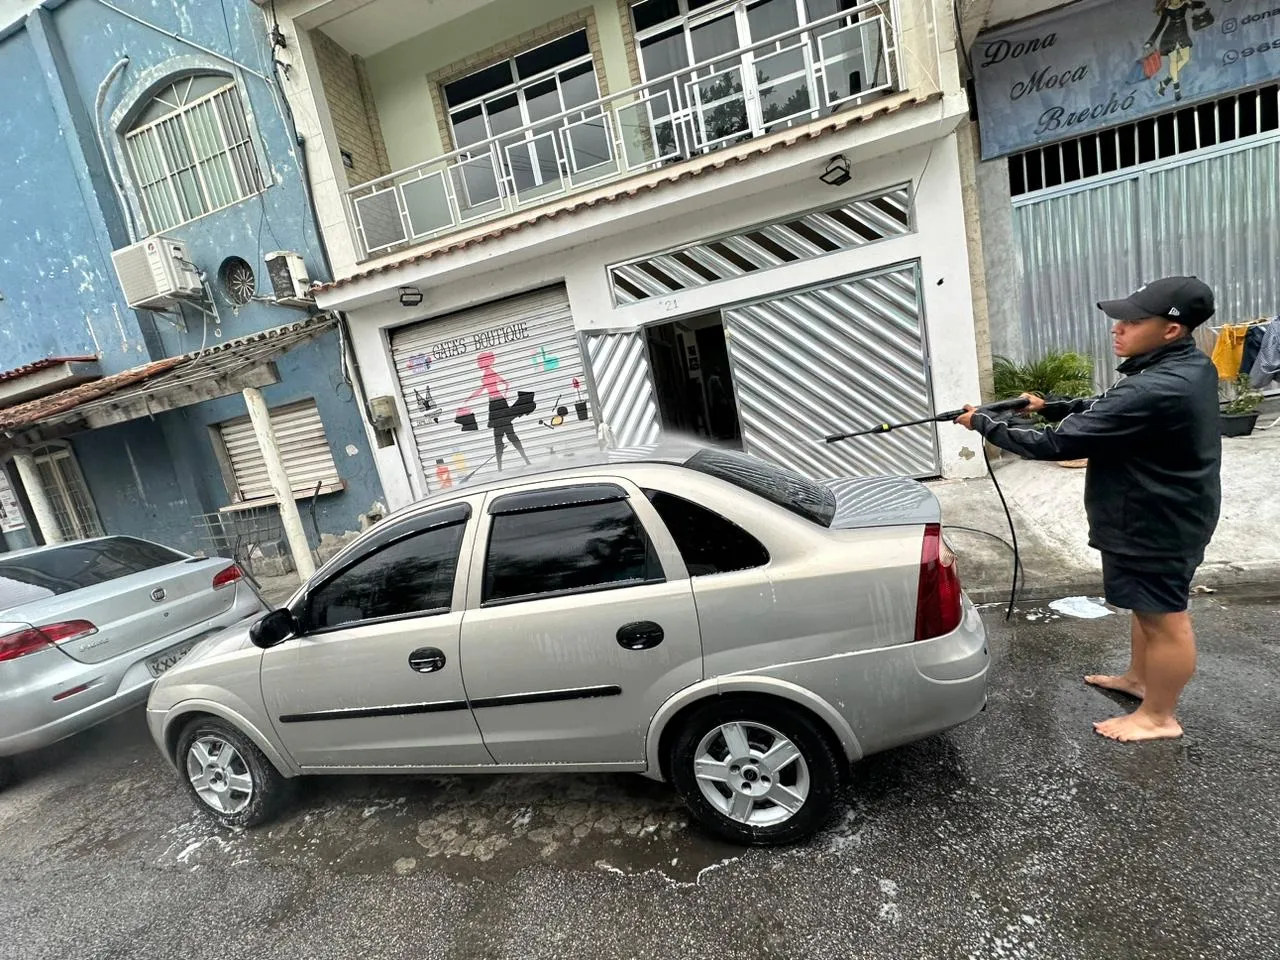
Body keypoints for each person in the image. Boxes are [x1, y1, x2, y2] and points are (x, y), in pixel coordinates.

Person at [956, 277, 1221, 742]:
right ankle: (1141, 680)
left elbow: (1056, 444)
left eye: (1135, 320)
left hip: (1155, 520)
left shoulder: (1155, 386)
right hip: (1161, 509)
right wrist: (1048, 405)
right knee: (1148, 607)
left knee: (1164, 617)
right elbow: (1108, 407)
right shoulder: (1185, 366)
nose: (1118, 328)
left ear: (1172, 330)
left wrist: (985, 423)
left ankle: (1159, 717)